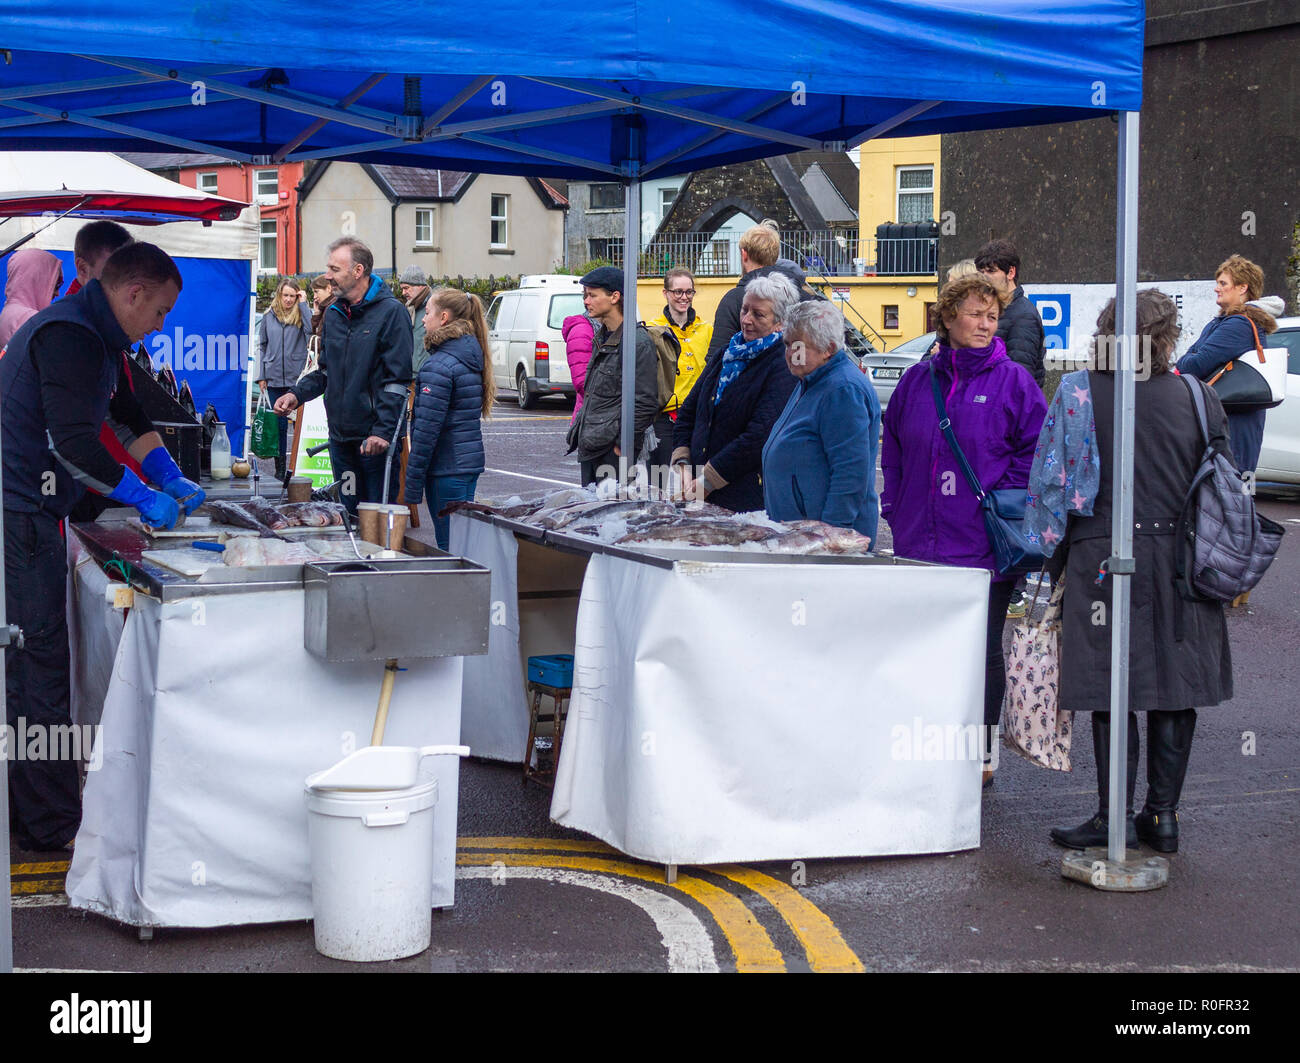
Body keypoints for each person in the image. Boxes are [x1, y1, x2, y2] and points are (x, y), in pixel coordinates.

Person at [2, 242, 203, 851]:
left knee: (35, 661)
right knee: (40, 663)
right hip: (21, 512)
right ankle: (50, 824)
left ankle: (36, 806)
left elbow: (126, 415)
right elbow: (72, 446)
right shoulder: (70, 335)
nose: (161, 325)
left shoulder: (101, 336)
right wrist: (143, 496)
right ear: (133, 293)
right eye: (162, 311)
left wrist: (168, 471)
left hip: (37, 510)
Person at [1031, 290, 1232, 853]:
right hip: (1182, 562)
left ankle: (1112, 817)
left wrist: (1047, 560)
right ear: (1168, 336)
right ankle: (1162, 818)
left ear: (1105, 333)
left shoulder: (1077, 391)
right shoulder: (1198, 396)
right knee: (1173, 687)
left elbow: (1051, 488)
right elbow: (1225, 482)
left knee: (1108, 688)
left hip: (1100, 556)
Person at [881, 272, 1047, 786]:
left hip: (981, 542)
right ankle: (930, 738)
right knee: (925, 646)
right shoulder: (916, 380)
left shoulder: (1013, 380)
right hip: (919, 541)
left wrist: (1003, 496)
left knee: (981, 649)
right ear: (948, 318)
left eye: (992, 315)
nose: (985, 323)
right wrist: (894, 505)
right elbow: (895, 449)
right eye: (974, 313)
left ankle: (980, 752)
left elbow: (1036, 450)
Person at [273, 238, 413, 513]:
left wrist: (382, 433)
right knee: (348, 514)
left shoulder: (391, 313)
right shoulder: (334, 313)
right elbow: (325, 371)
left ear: (358, 271)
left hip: (374, 443)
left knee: (376, 521)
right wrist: (296, 394)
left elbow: (398, 382)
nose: (327, 276)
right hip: (340, 441)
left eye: (335, 269)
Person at [672, 273, 799, 511]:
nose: (746, 320)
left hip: (744, 498)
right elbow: (689, 411)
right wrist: (683, 463)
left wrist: (708, 480)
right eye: (744, 310)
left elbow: (758, 436)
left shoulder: (782, 364)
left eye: (758, 314)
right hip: (698, 490)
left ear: (780, 323)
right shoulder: (725, 353)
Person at [762, 299, 881, 544]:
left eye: (797, 347)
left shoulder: (843, 390)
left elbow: (850, 474)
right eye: (786, 344)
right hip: (803, 536)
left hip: (824, 543)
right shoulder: (810, 378)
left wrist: (831, 537)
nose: (789, 354)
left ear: (828, 348)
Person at [975, 238, 1046, 621]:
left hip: (1010, 427)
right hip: (991, 424)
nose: (984, 278)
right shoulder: (1000, 311)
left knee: (1010, 505)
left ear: (1010, 273)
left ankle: (1015, 589)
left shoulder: (1021, 316)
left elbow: (1020, 374)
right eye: (980, 271)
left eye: (990, 271)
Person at [1176, 253, 1284, 476]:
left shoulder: (1238, 324)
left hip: (1232, 424)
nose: (1217, 288)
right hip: (1232, 418)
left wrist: (1190, 356)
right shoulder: (1227, 321)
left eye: (1223, 283)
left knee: (1229, 492)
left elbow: (1191, 365)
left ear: (1242, 288)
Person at [404, 288, 495, 550]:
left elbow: (426, 431)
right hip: (466, 466)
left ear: (444, 317)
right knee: (465, 544)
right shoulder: (469, 354)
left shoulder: (439, 365)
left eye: (428, 312)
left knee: (449, 546)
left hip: (446, 469)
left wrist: (411, 488)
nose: (423, 318)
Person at [565, 265, 661, 487]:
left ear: (615, 297)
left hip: (612, 452)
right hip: (593, 447)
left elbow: (645, 401)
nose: (586, 301)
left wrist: (623, 445)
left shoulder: (636, 342)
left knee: (612, 514)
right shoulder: (602, 336)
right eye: (585, 295)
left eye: (592, 295)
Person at [706, 220, 817, 361]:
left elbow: (716, 358)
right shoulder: (805, 299)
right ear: (775, 256)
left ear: (744, 255)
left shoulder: (734, 299)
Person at [255, 279, 312, 479]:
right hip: (273, 377)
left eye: (292, 296)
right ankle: (279, 470)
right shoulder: (268, 317)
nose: (288, 299)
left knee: (298, 426)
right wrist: (261, 376)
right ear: (279, 295)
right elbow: (261, 345)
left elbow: (310, 332)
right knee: (279, 426)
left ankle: (297, 467)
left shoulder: (301, 314)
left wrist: (304, 305)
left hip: (296, 379)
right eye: (285, 295)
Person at [648, 267, 712, 418]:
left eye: (689, 292)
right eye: (678, 292)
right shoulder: (654, 330)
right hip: (666, 415)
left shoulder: (707, 329)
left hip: (699, 412)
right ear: (666, 293)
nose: (684, 297)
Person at [0, 248, 63, 349]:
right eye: (56, 284)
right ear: (37, 279)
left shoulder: (9, 312)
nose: (57, 293)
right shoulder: (30, 320)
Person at [63, 220, 132, 298]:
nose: (124, 283)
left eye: (129, 273)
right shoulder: (68, 309)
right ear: (83, 269)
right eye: (113, 274)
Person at [399, 265, 433, 374]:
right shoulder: (410, 308)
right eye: (402, 289)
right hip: (411, 375)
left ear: (420, 286)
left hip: (427, 374)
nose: (403, 293)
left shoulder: (434, 307)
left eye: (406, 288)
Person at [562, 311, 594, 424]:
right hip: (591, 421)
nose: (587, 301)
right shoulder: (581, 331)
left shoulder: (609, 327)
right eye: (588, 295)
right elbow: (582, 383)